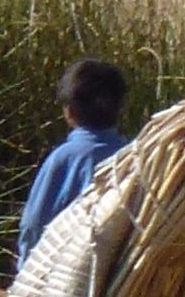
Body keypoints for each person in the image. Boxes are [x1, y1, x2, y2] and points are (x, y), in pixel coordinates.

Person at [13, 59, 130, 271]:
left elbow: (34, 224)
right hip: (120, 275)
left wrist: (26, 271)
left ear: (70, 111)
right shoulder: (133, 155)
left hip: (67, 274)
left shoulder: (65, 158)